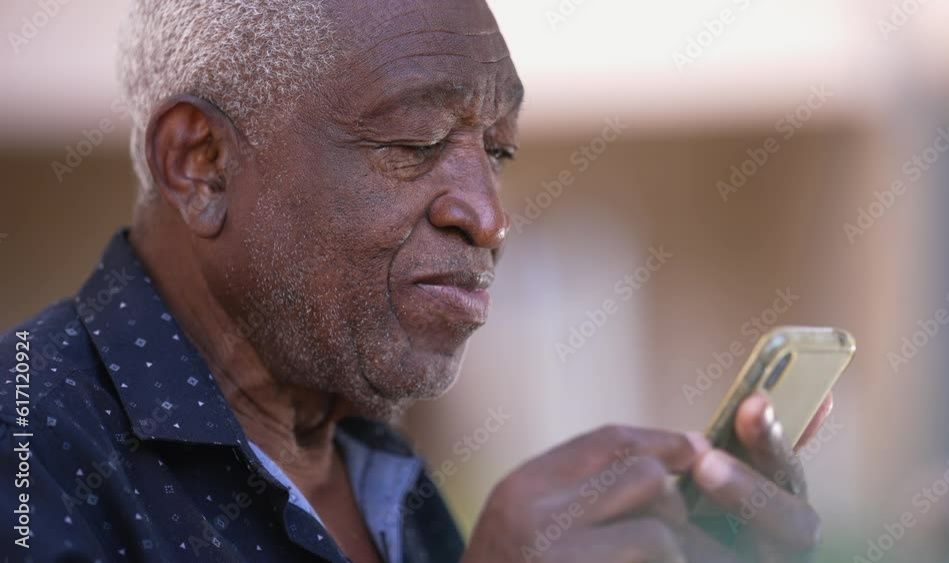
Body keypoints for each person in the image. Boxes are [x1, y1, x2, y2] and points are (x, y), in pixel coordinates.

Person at [0, 0, 829, 561]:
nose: (488, 215)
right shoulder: (27, 442)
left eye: (496, 151)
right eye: (413, 139)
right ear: (202, 165)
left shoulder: (385, 477)